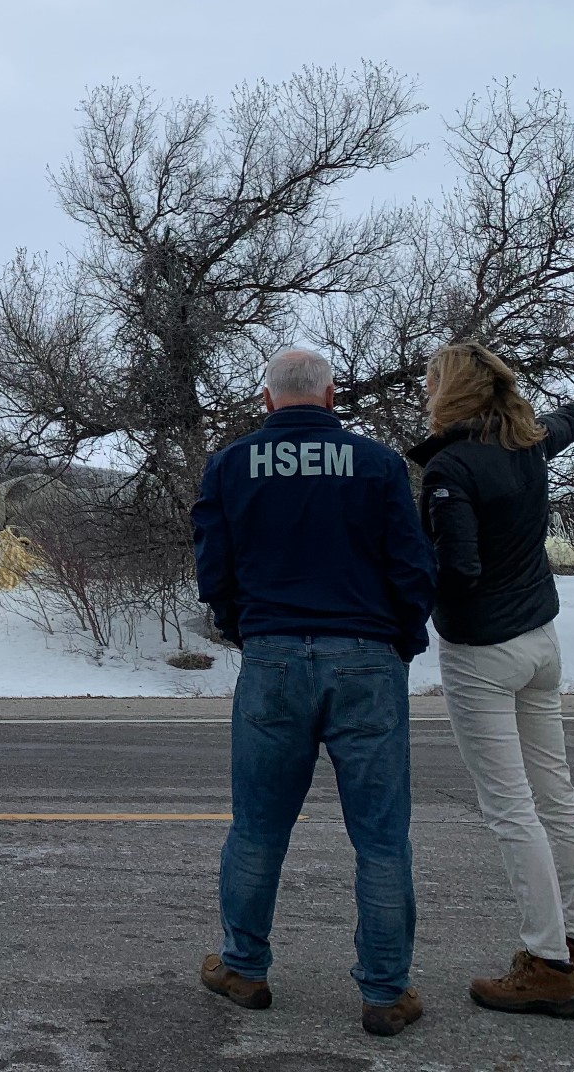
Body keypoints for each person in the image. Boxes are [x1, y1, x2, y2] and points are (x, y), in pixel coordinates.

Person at [192, 348, 437, 1038]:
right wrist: (401, 640)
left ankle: (244, 968)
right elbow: (413, 567)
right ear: (332, 396)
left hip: (272, 659)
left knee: (259, 827)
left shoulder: (232, 464)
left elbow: (214, 567)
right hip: (366, 659)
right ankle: (385, 993)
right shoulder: (380, 464)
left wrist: (249, 629)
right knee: (382, 839)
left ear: (267, 401)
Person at [407, 341, 574, 1019]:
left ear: (449, 391)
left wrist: (404, 591)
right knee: (556, 796)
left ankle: (546, 963)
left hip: (484, 652)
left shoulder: (452, 466)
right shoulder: (524, 442)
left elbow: (459, 569)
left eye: (431, 382)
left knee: (512, 809)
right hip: (542, 642)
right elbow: (566, 421)